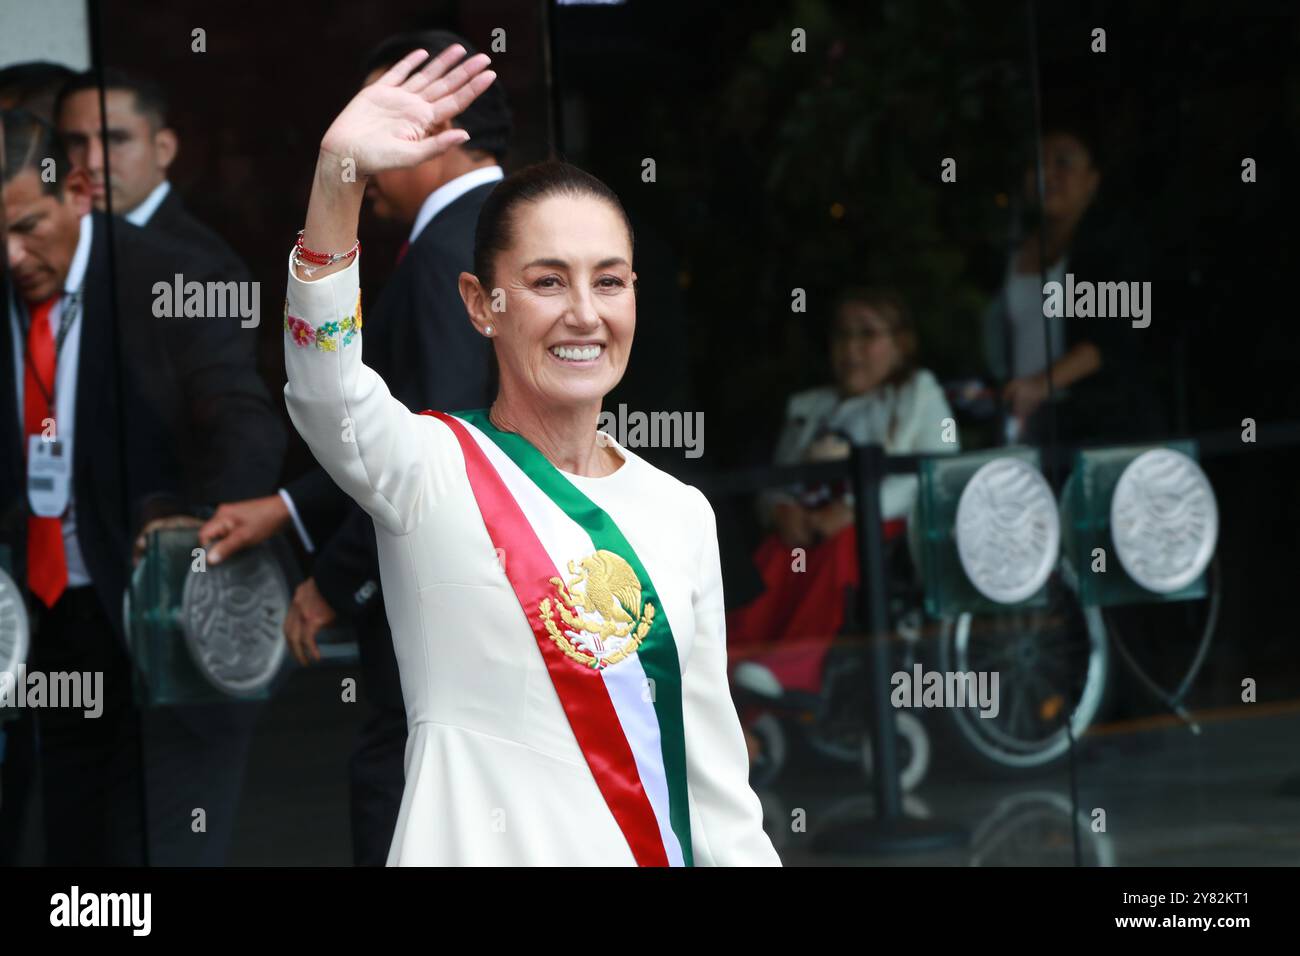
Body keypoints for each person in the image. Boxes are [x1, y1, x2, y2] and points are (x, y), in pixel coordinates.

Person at [277, 45, 778, 865]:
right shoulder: (429, 471)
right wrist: (341, 176)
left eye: (609, 281)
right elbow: (323, 384)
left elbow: (718, 786)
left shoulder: (682, 514)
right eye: (548, 282)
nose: (584, 313)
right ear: (482, 304)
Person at [198, 29, 511, 865]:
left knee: (403, 785)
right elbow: (394, 424)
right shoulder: (486, 235)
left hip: (443, 613)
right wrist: (291, 506)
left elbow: (440, 445)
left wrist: (334, 580)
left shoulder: (457, 251)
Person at [0, 109, 284, 865]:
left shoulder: (173, 276)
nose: (13, 254)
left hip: (164, 605)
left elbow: (242, 418)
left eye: (29, 225)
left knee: (164, 849)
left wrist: (198, 522)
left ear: (81, 191)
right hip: (54, 619)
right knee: (77, 850)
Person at [726, 290, 957, 757]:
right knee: (775, 554)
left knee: (843, 544)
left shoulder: (919, 395)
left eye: (867, 336)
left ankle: (795, 670)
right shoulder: (811, 406)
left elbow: (933, 474)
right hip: (811, 527)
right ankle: (731, 672)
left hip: (879, 529)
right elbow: (781, 480)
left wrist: (855, 509)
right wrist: (782, 510)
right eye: (844, 336)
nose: (852, 350)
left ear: (900, 344)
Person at [983, 125, 1162, 444]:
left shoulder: (1113, 246)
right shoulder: (1010, 253)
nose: (1046, 174)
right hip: (1029, 422)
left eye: (1062, 163)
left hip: (1101, 423)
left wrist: (1041, 384)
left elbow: (1115, 337)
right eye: (1036, 164)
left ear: (1092, 180)